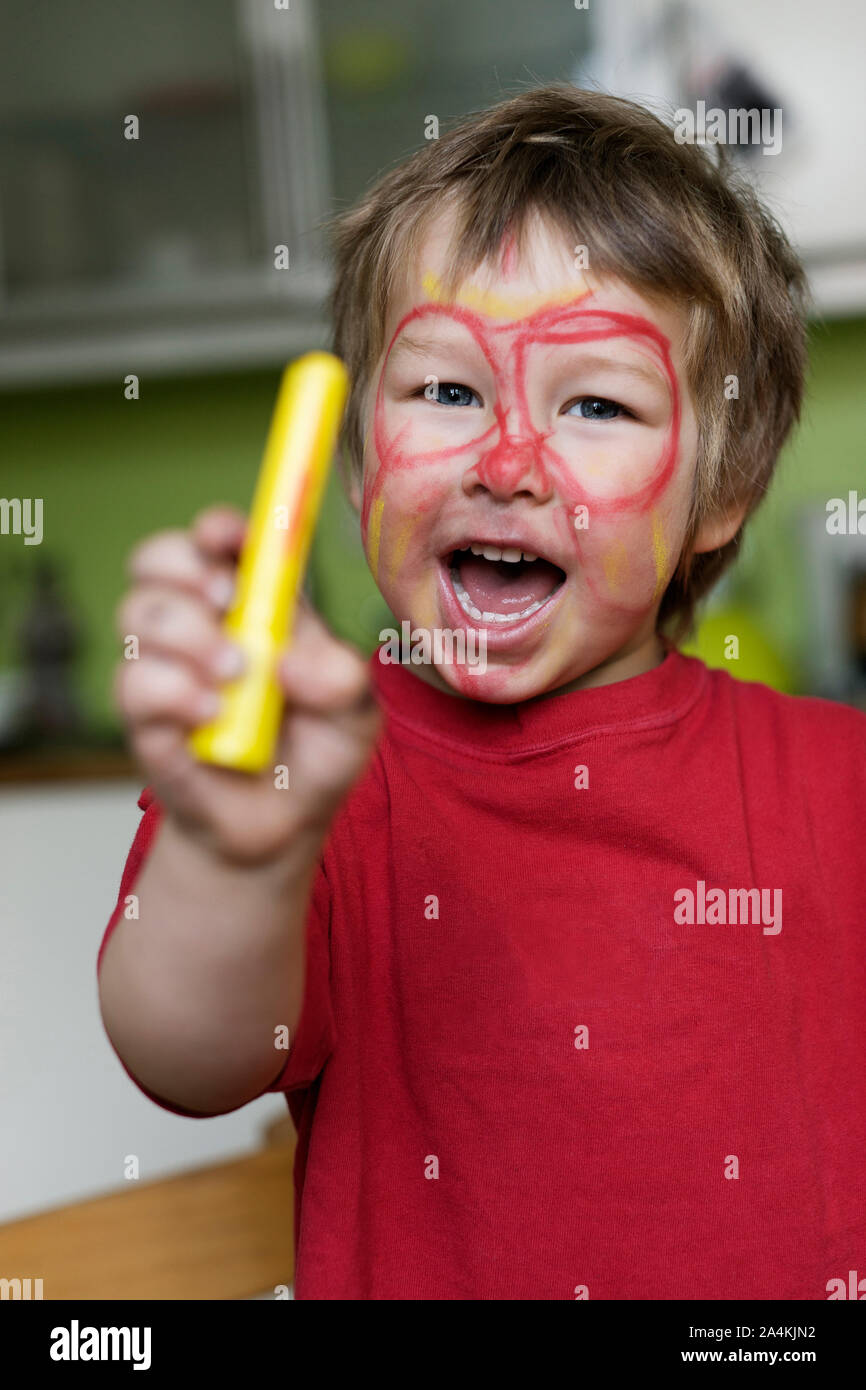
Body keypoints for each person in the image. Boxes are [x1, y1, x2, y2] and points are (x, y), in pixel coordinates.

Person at [97, 84, 866, 1300]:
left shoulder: (838, 783)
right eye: (446, 392)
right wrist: (236, 856)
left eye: (596, 404)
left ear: (720, 491)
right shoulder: (309, 772)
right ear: (358, 461)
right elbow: (185, 1056)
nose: (505, 464)